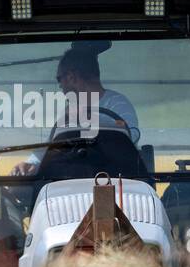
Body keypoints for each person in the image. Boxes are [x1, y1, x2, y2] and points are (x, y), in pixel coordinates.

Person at [12, 46, 139, 175]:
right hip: (73, 181)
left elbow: (132, 136)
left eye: (59, 79)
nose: (60, 86)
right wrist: (32, 162)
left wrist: (89, 118)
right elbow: (54, 142)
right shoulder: (69, 111)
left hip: (116, 180)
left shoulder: (117, 103)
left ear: (71, 77)